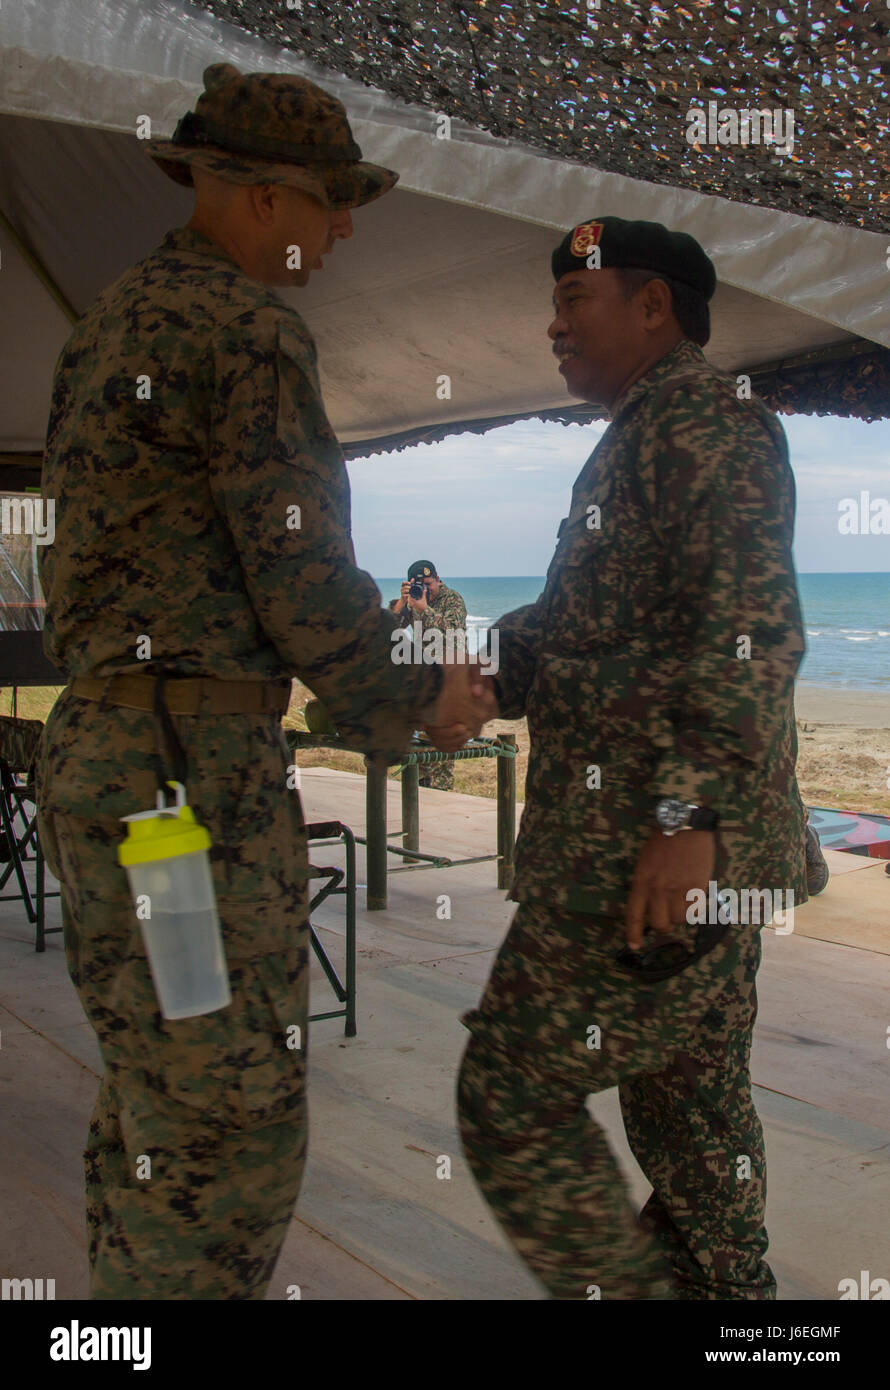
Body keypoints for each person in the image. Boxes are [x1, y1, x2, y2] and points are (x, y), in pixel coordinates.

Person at [35, 62, 480, 1301]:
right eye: (332, 202)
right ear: (255, 194)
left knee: (157, 1097)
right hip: (186, 798)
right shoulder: (249, 328)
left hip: (111, 766)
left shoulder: (105, 325)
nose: (342, 231)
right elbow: (298, 571)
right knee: (224, 1129)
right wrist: (414, 699)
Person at [449, 216, 810, 1300]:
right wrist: (480, 678)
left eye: (575, 301)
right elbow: (585, 624)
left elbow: (748, 630)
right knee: (687, 1114)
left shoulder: (708, 423)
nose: (552, 325)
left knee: (509, 1093)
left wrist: (683, 820)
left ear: (652, 306)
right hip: (668, 856)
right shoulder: (642, 432)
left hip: (652, 858)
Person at [391, 561, 468, 789]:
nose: (425, 589)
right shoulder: (412, 601)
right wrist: (401, 604)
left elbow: (454, 630)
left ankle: (441, 790)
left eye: (428, 584)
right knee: (421, 737)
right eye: (419, 585)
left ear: (437, 579)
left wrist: (425, 609)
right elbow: (388, 628)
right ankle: (419, 788)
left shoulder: (452, 599)